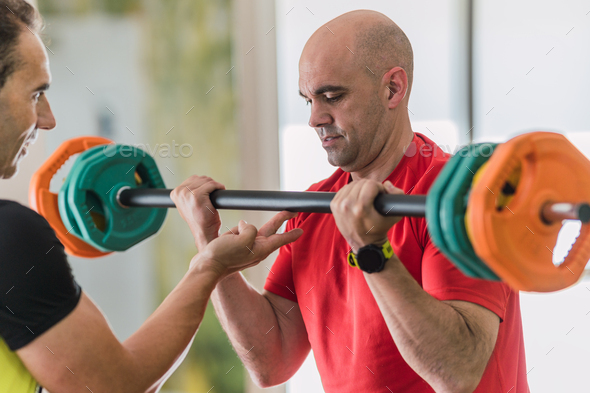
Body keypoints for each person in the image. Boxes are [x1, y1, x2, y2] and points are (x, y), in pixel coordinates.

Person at [173, 10, 529, 393]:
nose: (314, 118)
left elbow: (458, 371)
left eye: (332, 96)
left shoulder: (458, 197)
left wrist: (372, 250)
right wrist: (214, 257)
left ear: (393, 89)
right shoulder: (314, 208)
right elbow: (272, 362)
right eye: (308, 99)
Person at [0, 1, 301, 392]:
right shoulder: (10, 236)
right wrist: (207, 268)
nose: (49, 119)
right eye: (36, 94)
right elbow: (119, 386)